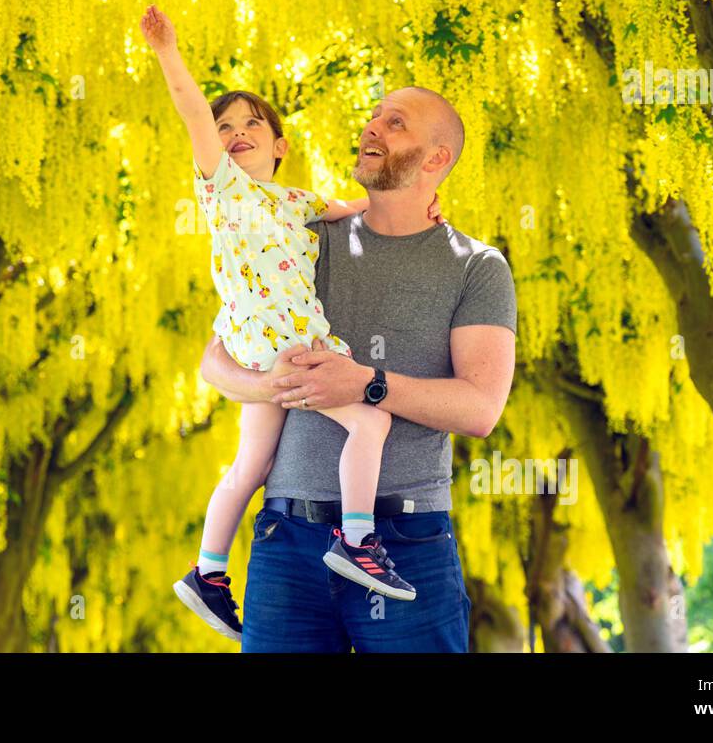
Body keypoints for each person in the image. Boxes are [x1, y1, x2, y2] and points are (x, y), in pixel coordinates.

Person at [140, 5, 443, 642]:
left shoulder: (298, 202)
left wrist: (418, 197)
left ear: (281, 147)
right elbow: (192, 112)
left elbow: (352, 205)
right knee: (371, 416)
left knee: (251, 461)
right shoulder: (222, 188)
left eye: (253, 124)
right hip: (285, 342)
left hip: (268, 346)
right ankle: (357, 538)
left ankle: (209, 572)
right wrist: (169, 52)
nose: (235, 131)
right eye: (226, 127)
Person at [200, 85, 517, 652]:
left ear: (436, 159)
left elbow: (480, 408)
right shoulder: (303, 237)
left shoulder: (477, 267)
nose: (372, 127)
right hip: (285, 538)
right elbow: (216, 361)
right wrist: (272, 384)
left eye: (394, 123)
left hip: (407, 540)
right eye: (373, 117)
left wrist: (366, 385)